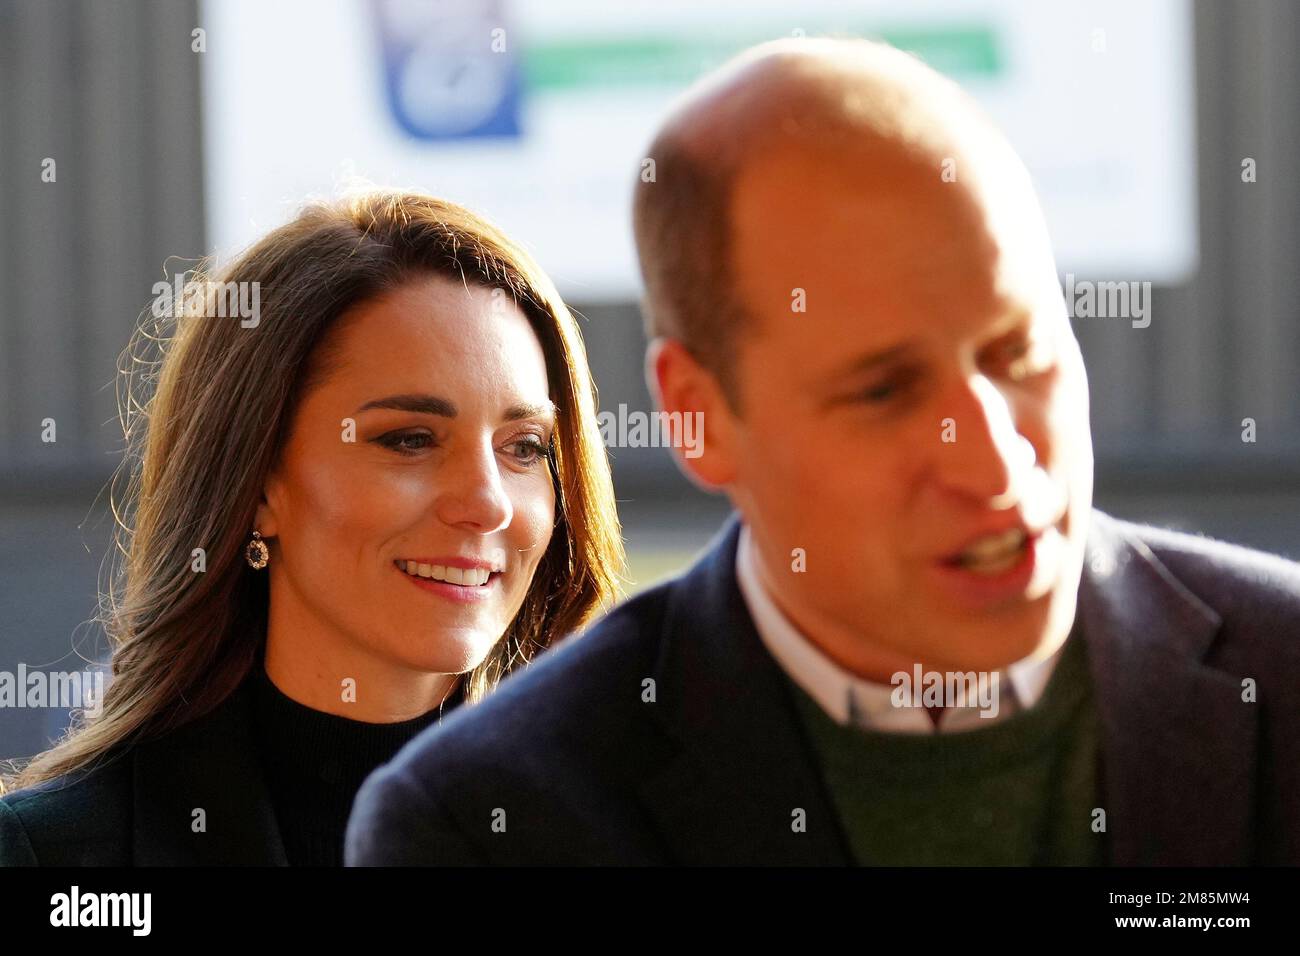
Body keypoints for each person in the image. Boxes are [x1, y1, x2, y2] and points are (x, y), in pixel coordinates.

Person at [345, 39, 1300, 865]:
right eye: (882, 392)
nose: (996, 464)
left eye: (1019, 353)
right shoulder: (491, 828)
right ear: (698, 414)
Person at [0, 190, 623, 865]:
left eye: (524, 447)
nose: (488, 501)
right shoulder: (50, 855)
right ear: (259, 480)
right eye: (410, 440)